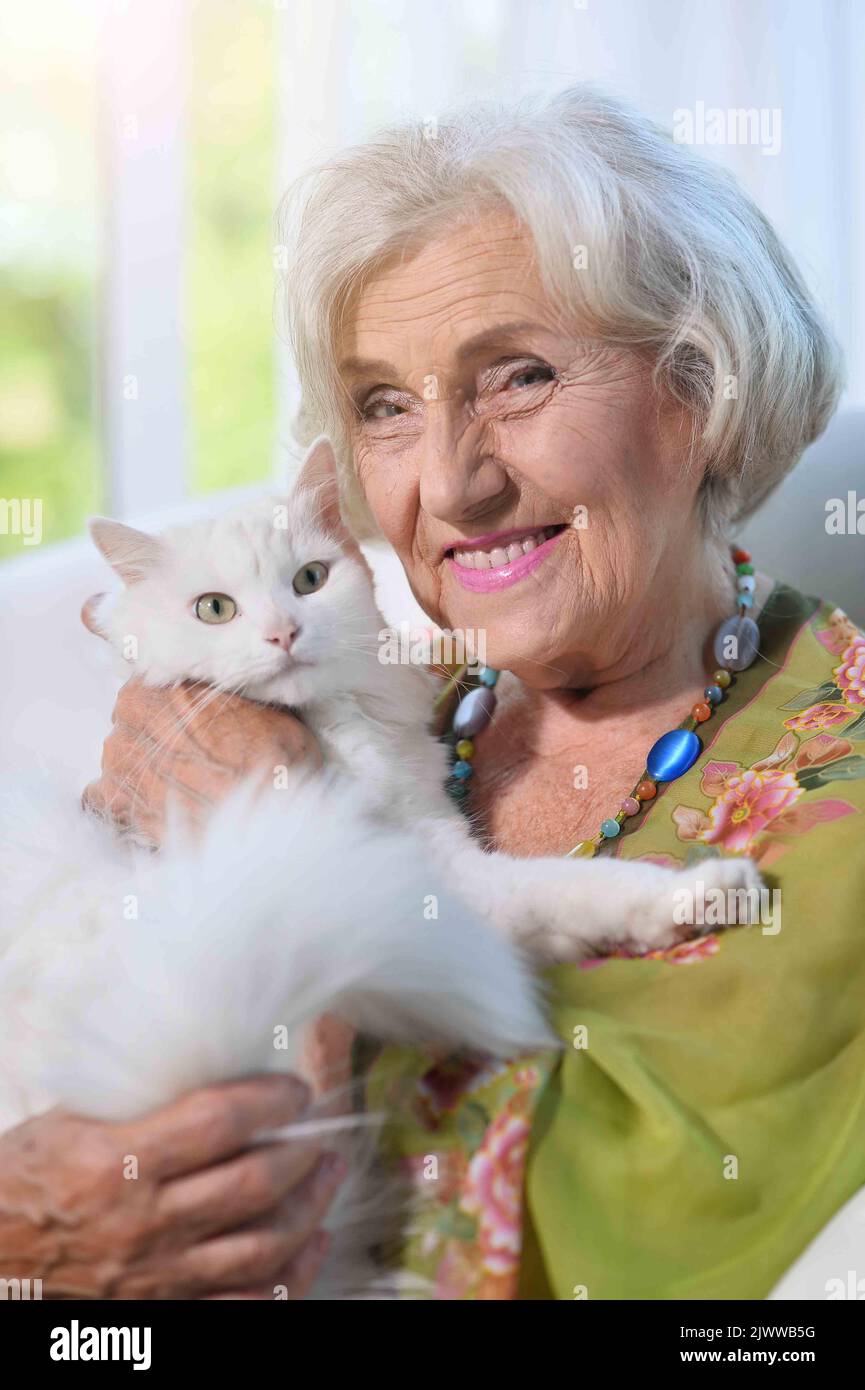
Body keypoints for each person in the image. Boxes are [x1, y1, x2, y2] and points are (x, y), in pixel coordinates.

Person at [3, 86, 863, 1299]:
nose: (450, 486)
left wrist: (278, 847)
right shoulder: (392, 695)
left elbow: (605, 1225)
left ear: (700, 393)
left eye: (517, 377)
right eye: (385, 407)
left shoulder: (837, 814)